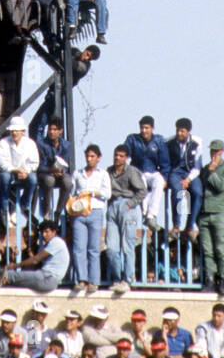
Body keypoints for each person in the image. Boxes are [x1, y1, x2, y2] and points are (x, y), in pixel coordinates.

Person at [69, 144, 111, 293]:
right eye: (87, 156)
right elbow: (71, 192)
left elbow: (107, 193)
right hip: (79, 212)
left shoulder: (102, 174)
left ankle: (94, 281)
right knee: (79, 247)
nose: (89, 159)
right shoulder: (78, 173)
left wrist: (91, 193)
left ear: (98, 158)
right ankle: (81, 279)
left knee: (93, 248)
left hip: (95, 211)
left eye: (92, 156)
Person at [105, 144, 146, 294]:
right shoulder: (108, 171)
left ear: (126, 158)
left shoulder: (131, 171)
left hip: (127, 206)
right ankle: (116, 278)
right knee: (111, 247)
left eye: (121, 156)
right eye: (116, 155)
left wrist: (130, 204)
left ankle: (127, 279)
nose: (117, 158)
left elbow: (142, 191)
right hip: (112, 207)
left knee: (128, 246)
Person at [198, 139, 224, 295]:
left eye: (217, 151)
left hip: (220, 212)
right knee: (207, 249)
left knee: (221, 248)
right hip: (204, 213)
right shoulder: (204, 169)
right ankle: (210, 279)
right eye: (212, 151)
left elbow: (221, 186)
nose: (214, 153)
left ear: (222, 151)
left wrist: (213, 172)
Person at [0, 220, 70, 294]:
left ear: (54, 232)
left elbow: (36, 259)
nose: (44, 235)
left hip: (47, 278)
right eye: (42, 232)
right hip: (45, 278)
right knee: (11, 281)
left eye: (47, 232)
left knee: (10, 275)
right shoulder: (46, 245)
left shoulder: (56, 241)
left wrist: (15, 265)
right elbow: (35, 262)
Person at [0, 118, 39, 239]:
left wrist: (26, 171)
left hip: (24, 172)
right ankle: (4, 210)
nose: (14, 133)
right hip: (10, 172)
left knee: (33, 179)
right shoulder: (4, 142)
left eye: (17, 131)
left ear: (23, 131)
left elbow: (34, 162)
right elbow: (1, 162)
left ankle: (23, 205)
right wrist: (15, 169)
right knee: (4, 177)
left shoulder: (30, 144)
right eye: (12, 131)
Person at [123, 116, 170, 232]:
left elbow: (165, 161)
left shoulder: (159, 140)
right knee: (141, 185)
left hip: (153, 171)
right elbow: (124, 153)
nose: (144, 131)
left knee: (159, 181)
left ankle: (151, 215)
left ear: (152, 128)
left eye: (146, 128)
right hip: (138, 172)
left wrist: (165, 178)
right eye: (142, 128)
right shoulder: (133, 139)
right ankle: (145, 213)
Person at [167, 118, 204, 238]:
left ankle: (190, 225)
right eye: (178, 130)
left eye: (182, 131)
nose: (179, 133)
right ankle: (177, 225)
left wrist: (188, 179)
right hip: (176, 172)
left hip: (191, 172)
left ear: (188, 131)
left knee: (197, 192)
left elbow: (198, 166)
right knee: (178, 191)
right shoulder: (169, 143)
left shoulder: (197, 142)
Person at [35, 117, 73, 219]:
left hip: (60, 173)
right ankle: (47, 210)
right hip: (46, 173)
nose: (51, 132)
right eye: (50, 129)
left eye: (54, 130)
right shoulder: (42, 144)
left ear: (60, 131)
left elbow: (66, 162)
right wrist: (51, 170)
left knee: (68, 182)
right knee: (49, 180)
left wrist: (61, 171)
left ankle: (58, 212)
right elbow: (40, 166)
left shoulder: (66, 145)